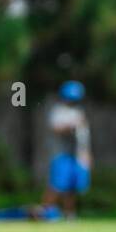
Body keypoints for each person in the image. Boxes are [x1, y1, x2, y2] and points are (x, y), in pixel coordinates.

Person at [42, 80, 92, 219]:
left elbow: (84, 137)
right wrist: (71, 126)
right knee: (57, 185)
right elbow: (56, 128)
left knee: (72, 187)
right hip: (61, 153)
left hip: (77, 155)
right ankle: (45, 212)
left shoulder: (79, 112)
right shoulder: (59, 111)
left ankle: (69, 214)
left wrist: (86, 155)